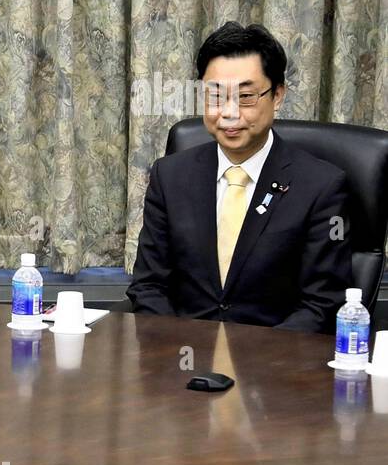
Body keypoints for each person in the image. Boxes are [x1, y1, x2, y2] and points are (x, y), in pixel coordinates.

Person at [127, 22, 352, 332]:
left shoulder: (321, 186)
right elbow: (148, 286)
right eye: (215, 96)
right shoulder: (170, 176)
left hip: (276, 367)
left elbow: (323, 303)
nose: (229, 113)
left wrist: (254, 366)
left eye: (246, 97)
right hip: (182, 362)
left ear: (277, 96)